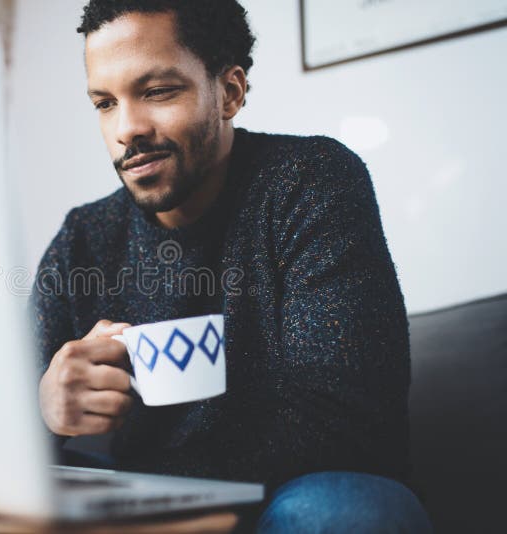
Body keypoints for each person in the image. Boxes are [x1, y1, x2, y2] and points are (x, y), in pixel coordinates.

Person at [30, 1, 433, 532]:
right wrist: (45, 411)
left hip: (288, 501)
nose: (127, 128)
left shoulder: (311, 182)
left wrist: (166, 494)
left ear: (230, 92)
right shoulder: (83, 239)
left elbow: (348, 417)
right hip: (149, 510)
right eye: (105, 103)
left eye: (157, 91)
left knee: (342, 507)